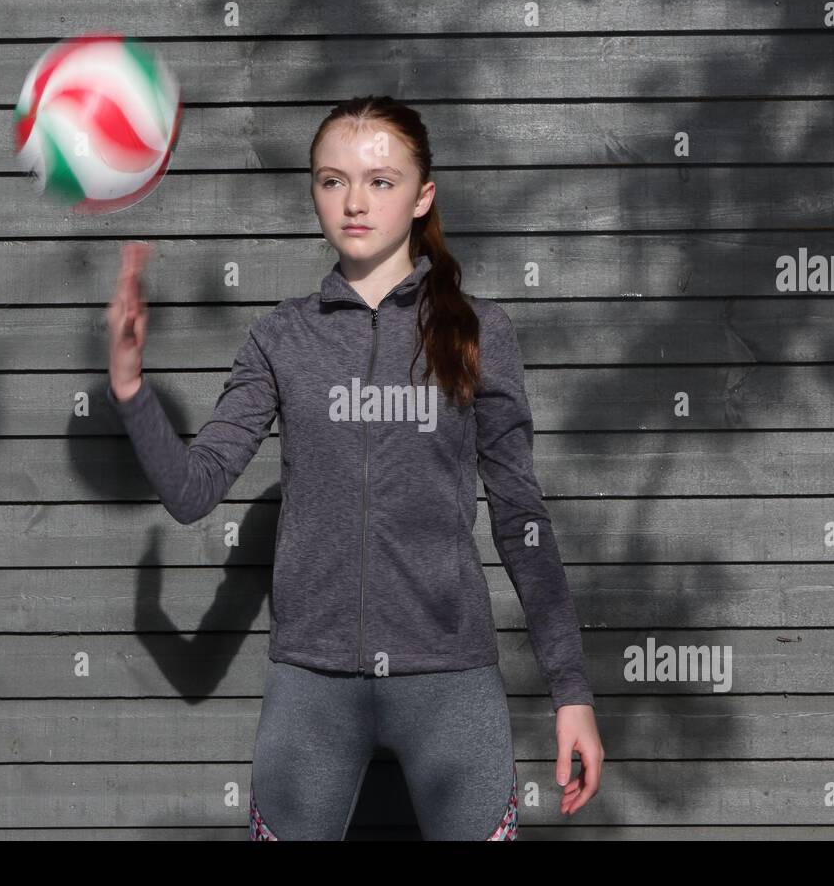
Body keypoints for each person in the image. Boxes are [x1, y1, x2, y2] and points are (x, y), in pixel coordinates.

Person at [104, 95, 603, 840]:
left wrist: (572, 692)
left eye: (380, 180)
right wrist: (129, 386)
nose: (355, 202)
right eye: (332, 181)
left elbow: (522, 520)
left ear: (422, 194)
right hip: (314, 687)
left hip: (450, 682)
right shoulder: (283, 337)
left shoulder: (479, 334)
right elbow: (192, 490)